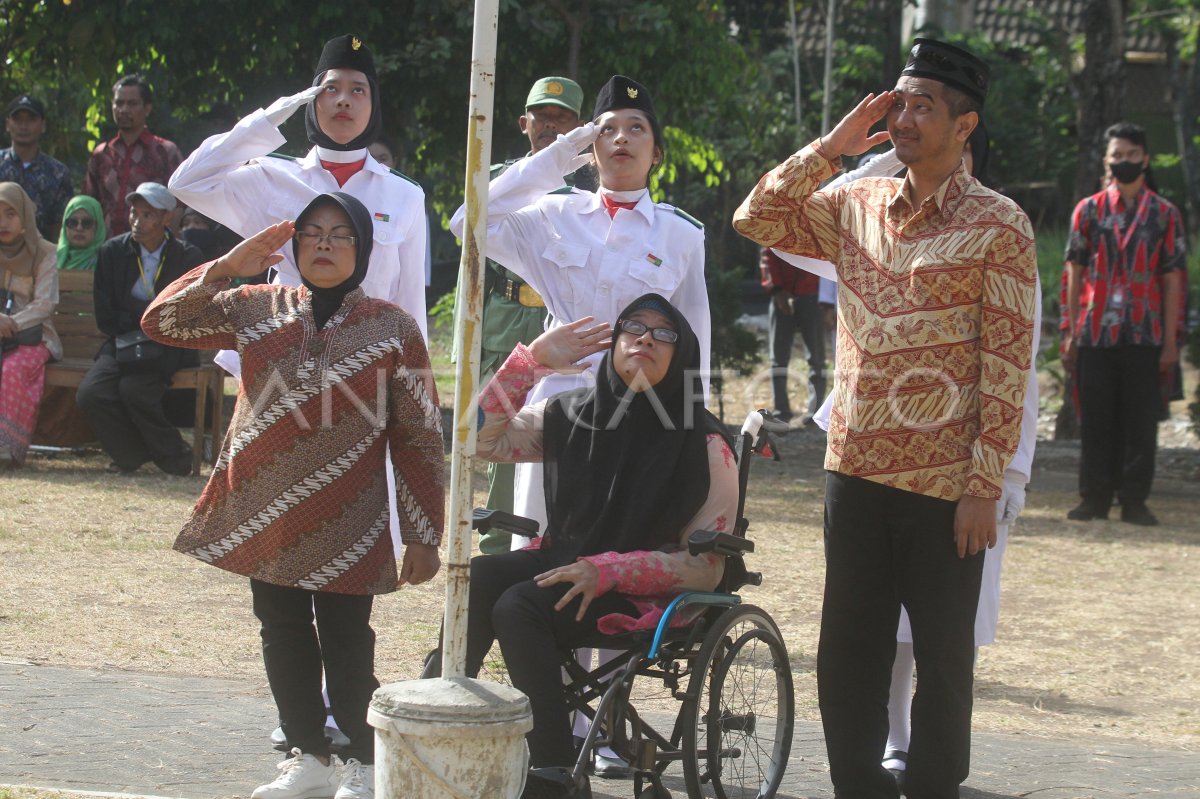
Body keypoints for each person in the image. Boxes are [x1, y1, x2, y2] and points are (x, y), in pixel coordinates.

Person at [734, 38, 1037, 799]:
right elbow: (754, 216)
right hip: (856, 473)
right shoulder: (853, 206)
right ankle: (857, 787)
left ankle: (934, 786)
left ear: (964, 125)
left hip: (945, 488)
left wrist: (984, 484)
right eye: (897, 102)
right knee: (848, 652)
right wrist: (833, 148)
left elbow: (1005, 364)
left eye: (922, 105)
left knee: (942, 657)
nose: (902, 117)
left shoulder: (1001, 225)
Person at [142, 192, 444, 799]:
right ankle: (308, 757)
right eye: (312, 233)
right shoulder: (257, 307)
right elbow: (162, 321)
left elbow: (418, 437)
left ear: (362, 249)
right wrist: (228, 265)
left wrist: (422, 532)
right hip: (267, 510)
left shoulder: (394, 328)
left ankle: (363, 761)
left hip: (350, 515)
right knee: (280, 629)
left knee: (347, 638)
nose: (325, 244)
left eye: (341, 234)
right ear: (295, 246)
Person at [425, 294, 737, 791]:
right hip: (567, 560)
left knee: (519, 605)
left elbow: (706, 567)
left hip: (644, 590)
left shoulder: (705, 444)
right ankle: (433, 720)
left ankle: (553, 766)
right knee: (478, 579)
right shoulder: (569, 415)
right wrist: (530, 363)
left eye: (665, 332)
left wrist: (611, 570)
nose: (646, 337)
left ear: (682, 355)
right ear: (615, 342)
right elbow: (474, 438)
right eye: (634, 326)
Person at [450, 74, 710, 541]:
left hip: (640, 410)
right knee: (537, 535)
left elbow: (696, 337)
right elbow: (467, 222)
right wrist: (553, 159)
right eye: (606, 129)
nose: (621, 139)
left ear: (657, 152)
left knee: (622, 538)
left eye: (636, 129)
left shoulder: (682, 235)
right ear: (589, 150)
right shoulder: (554, 213)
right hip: (557, 403)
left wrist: (695, 427)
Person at [169, 34, 429, 347]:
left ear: (374, 105)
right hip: (282, 351)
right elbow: (186, 183)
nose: (343, 100)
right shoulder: (272, 176)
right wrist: (268, 119)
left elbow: (411, 298)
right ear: (311, 99)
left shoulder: (405, 195)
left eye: (358, 90)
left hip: (365, 357)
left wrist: (418, 384)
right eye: (330, 88)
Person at [471, 75, 589, 552]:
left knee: (563, 441)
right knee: (503, 442)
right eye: (541, 117)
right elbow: (472, 264)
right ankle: (502, 545)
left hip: (571, 334)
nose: (550, 127)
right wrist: (469, 343)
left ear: (580, 126)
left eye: (562, 118)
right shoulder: (501, 180)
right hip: (505, 328)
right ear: (524, 123)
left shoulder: (595, 180)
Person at [1062, 122, 1185, 527]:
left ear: (1145, 160)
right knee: (1096, 419)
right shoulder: (1089, 210)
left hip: (1145, 332)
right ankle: (1094, 499)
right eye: (1118, 155)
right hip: (1096, 331)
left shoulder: (1165, 214)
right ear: (1107, 160)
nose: (1125, 162)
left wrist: (1170, 341)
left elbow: (1173, 281)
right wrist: (1070, 329)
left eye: (1132, 155)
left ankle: (1135, 501)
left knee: (1140, 422)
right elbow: (1073, 272)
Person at [75, 182, 205, 475]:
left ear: (167, 218)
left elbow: (186, 312)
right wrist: (142, 321)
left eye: (147, 214)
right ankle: (130, 455)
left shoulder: (188, 257)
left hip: (167, 344)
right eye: (134, 212)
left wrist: (149, 325)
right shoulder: (112, 252)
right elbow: (105, 314)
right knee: (91, 393)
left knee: (135, 390)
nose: (137, 221)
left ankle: (177, 459)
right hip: (122, 342)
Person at [0, 182, 60, 467]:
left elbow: (45, 304)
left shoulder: (44, 252)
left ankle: (8, 448)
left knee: (13, 368)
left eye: (10, 213)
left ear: (24, 216)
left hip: (34, 337)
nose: (3, 222)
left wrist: (11, 322)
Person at [84, 75, 183, 237]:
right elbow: (88, 205)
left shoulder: (165, 152)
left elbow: (178, 205)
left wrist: (168, 245)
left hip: (152, 249)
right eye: (119, 103)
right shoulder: (101, 154)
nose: (124, 109)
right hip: (106, 250)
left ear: (147, 108)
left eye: (132, 103)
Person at [759, 246, 829, 425]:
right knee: (778, 358)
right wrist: (777, 290)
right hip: (781, 295)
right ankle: (781, 411)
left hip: (812, 295)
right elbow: (768, 254)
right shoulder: (776, 222)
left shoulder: (816, 223)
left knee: (816, 357)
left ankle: (815, 411)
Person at [0, 95, 73, 241]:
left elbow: (60, 225)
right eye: (18, 119)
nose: (24, 126)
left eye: (31, 120)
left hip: (41, 257)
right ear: (8, 124)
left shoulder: (57, 172)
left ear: (43, 125)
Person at [56, 195, 107, 271]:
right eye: (73, 222)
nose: (79, 228)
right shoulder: (50, 261)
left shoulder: (107, 263)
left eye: (87, 223)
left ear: (98, 227)